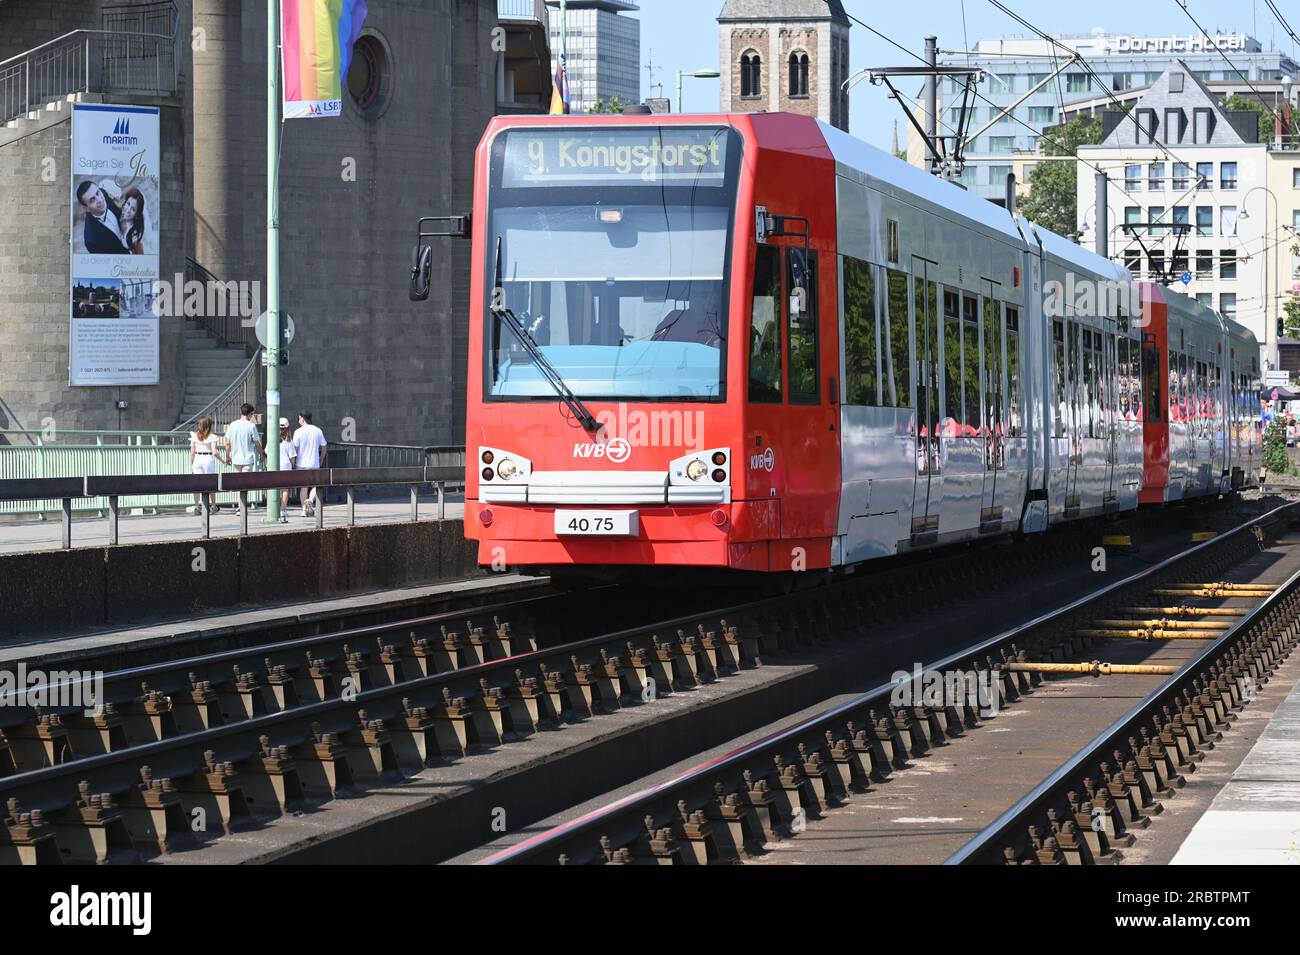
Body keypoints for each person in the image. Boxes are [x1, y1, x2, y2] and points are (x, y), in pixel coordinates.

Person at [225, 402, 265, 510]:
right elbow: (257, 443)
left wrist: (228, 456)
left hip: (236, 459)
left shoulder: (232, 425)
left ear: (241, 412)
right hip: (248, 459)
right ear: (250, 414)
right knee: (245, 484)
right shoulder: (251, 426)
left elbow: (227, 443)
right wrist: (262, 454)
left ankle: (239, 506)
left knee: (238, 483)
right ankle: (242, 506)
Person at [76, 180, 129, 255]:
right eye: (92, 200)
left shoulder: (103, 192)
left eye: (97, 193)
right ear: (86, 208)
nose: (100, 200)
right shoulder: (91, 241)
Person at [292, 411, 328, 518]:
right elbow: (324, 447)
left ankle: (304, 510)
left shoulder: (298, 432)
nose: (298, 420)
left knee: (303, 487)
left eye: (298, 418)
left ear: (302, 419)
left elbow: (295, 448)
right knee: (316, 485)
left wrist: (293, 462)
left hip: (301, 463)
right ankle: (310, 500)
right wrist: (321, 459)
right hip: (314, 462)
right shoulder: (318, 430)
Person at [188, 416, 225, 514]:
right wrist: (223, 461)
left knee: (197, 484)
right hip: (208, 459)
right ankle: (213, 506)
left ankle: (197, 507)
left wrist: (192, 464)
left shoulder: (194, 436)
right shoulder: (212, 437)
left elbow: (192, 452)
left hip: (197, 459)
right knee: (211, 483)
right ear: (209, 426)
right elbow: (215, 452)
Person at [277, 417, 297, 522]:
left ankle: (273, 509)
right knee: (285, 489)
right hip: (286, 466)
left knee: (275, 488)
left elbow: (267, 452)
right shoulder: (289, 442)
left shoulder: (273, 440)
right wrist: (293, 466)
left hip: (275, 466)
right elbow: (292, 458)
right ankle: (282, 509)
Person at [119, 187, 147, 255]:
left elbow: (140, 256)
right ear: (125, 202)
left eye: (133, 209)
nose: (128, 210)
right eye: (128, 204)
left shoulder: (134, 236)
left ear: (136, 214)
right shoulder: (119, 215)